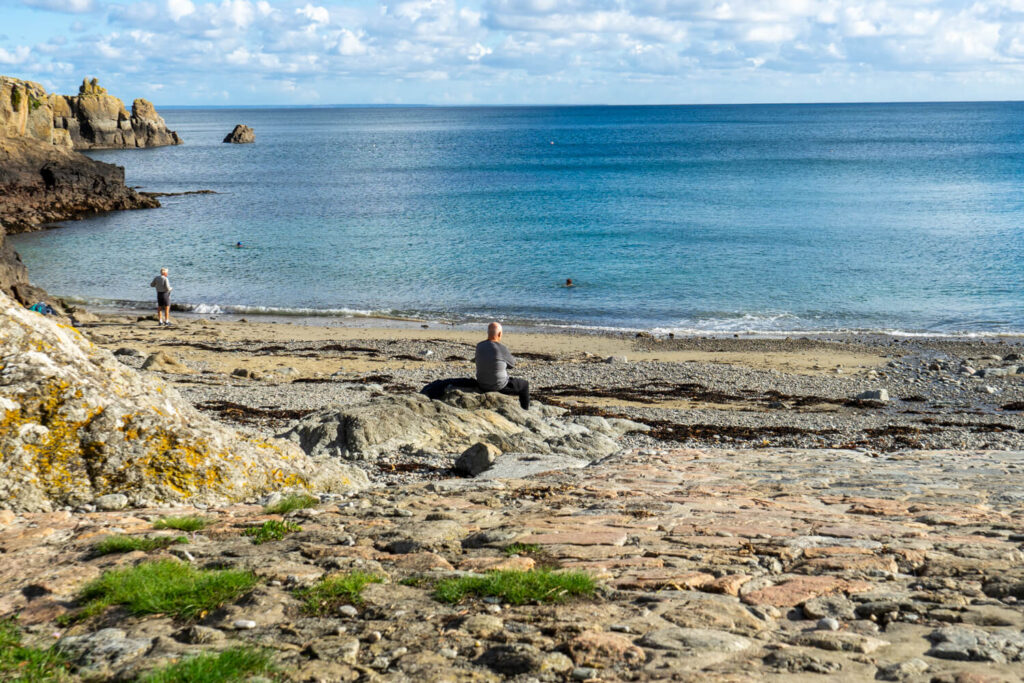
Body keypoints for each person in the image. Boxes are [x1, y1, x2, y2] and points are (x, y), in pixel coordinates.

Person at [475, 321, 530, 410]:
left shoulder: (479, 346)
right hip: (499, 386)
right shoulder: (501, 348)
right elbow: (512, 364)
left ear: (488, 333)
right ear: (499, 334)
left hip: (481, 384)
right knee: (524, 385)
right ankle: (525, 410)